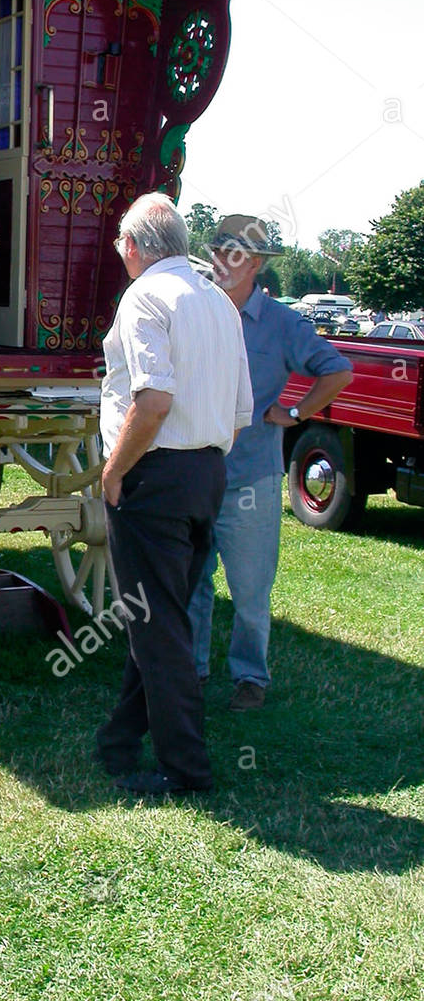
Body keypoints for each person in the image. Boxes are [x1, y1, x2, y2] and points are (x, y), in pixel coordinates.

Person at [95, 195, 253, 795]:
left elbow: (153, 400)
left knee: (157, 626)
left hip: (153, 475)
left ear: (135, 246)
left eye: (121, 247)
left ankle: (185, 768)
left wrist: (114, 473)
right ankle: (119, 739)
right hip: (206, 472)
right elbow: (240, 413)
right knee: (156, 613)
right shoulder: (219, 300)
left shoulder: (145, 298)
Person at [188, 215, 353, 710]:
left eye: (230, 254)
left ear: (254, 264)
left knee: (250, 589)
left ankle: (249, 679)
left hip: (250, 480)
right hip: (197, 472)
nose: (218, 261)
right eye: (216, 251)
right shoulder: (199, 311)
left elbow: (337, 369)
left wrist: (296, 412)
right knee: (192, 582)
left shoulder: (282, 324)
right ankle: (192, 672)